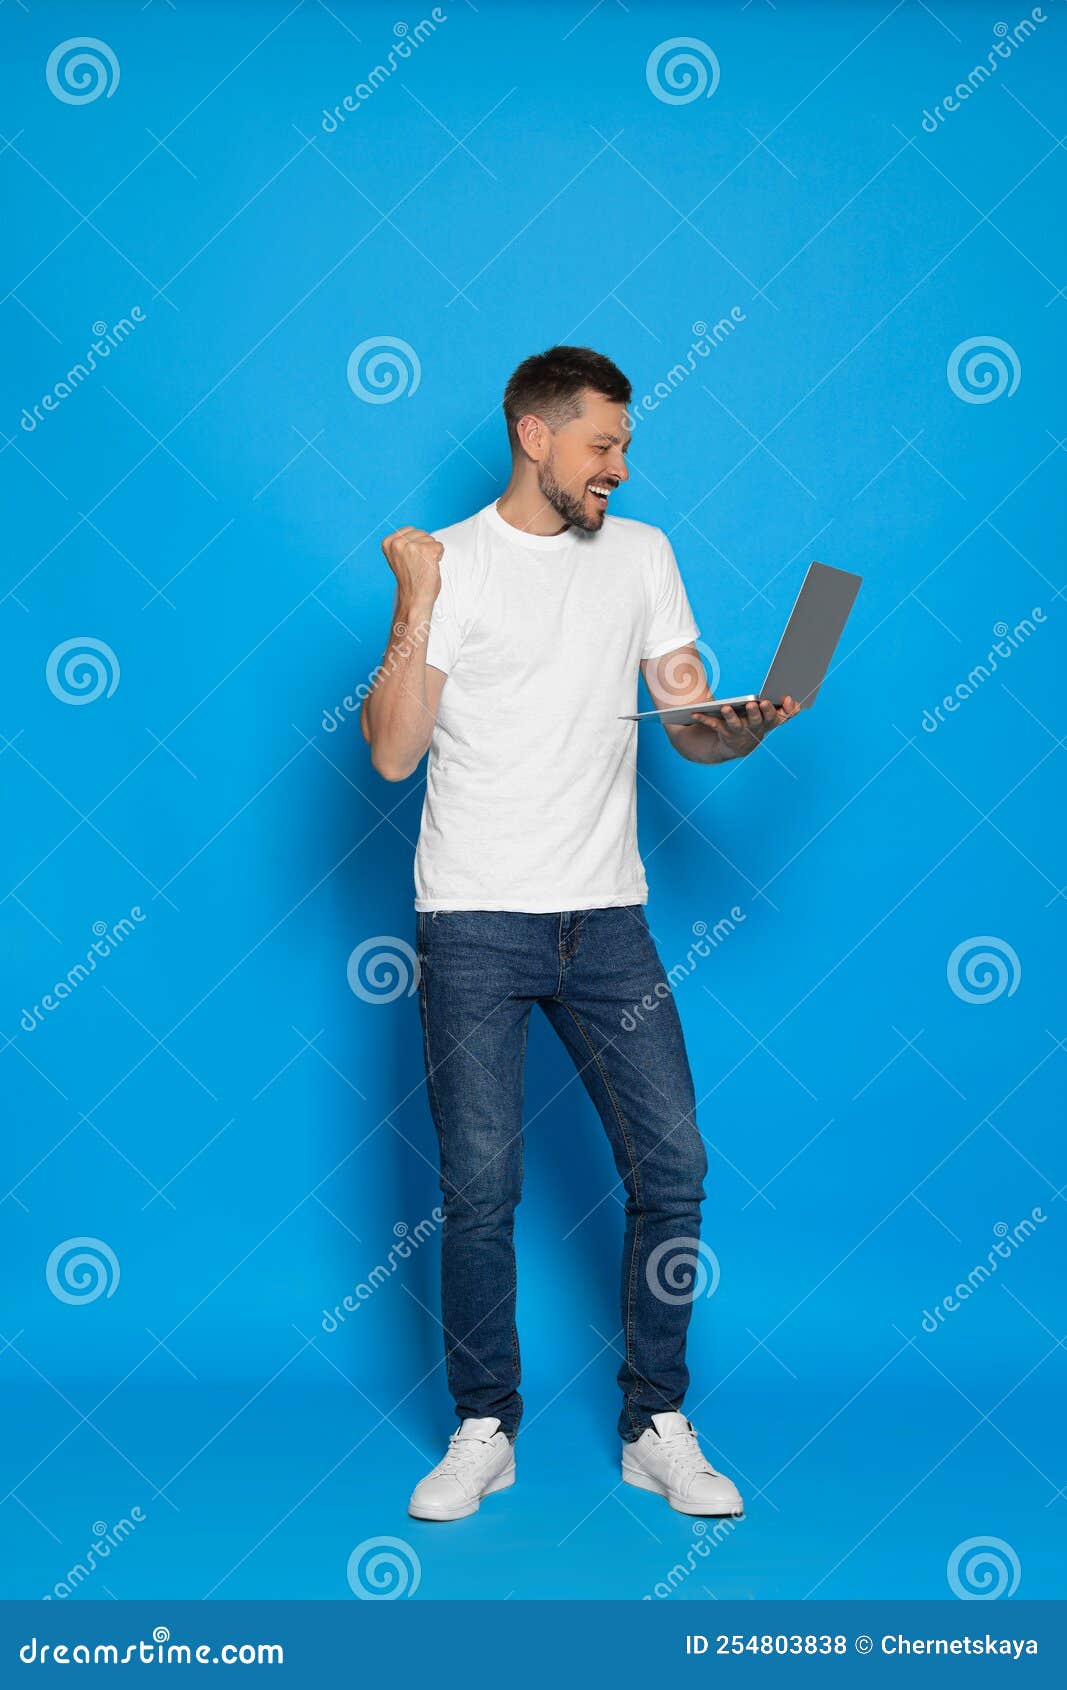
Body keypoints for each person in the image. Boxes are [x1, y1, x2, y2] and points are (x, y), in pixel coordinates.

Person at [361, 345, 797, 1523]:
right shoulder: (448, 561)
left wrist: (738, 729)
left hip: (606, 919)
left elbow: (686, 726)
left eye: (623, 447)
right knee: (480, 1188)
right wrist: (414, 601)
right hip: (473, 921)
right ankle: (483, 1428)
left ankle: (655, 1420)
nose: (617, 466)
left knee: (674, 1167)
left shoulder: (643, 555)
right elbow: (394, 751)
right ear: (534, 436)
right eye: (601, 444)